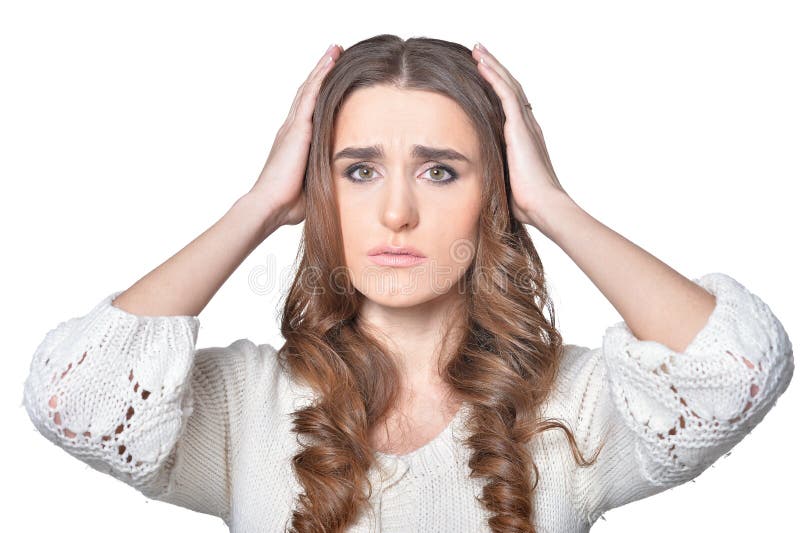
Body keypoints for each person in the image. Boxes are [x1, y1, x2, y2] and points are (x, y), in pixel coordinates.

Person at [21, 34, 794, 533]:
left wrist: (551, 204)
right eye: (358, 170)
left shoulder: (572, 404)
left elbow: (738, 372)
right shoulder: (242, 404)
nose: (395, 211)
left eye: (440, 170)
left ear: (493, 191)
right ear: (319, 188)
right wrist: (257, 207)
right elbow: (70, 400)